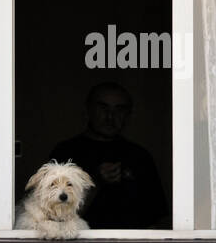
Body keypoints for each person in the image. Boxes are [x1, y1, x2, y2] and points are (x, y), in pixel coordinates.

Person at [49, 83, 169, 230]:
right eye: (103, 108)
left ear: (128, 115)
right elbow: (53, 217)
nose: (110, 117)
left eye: (119, 109)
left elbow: (157, 220)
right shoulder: (66, 153)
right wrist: (96, 182)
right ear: (88, 110)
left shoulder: (140, 157)